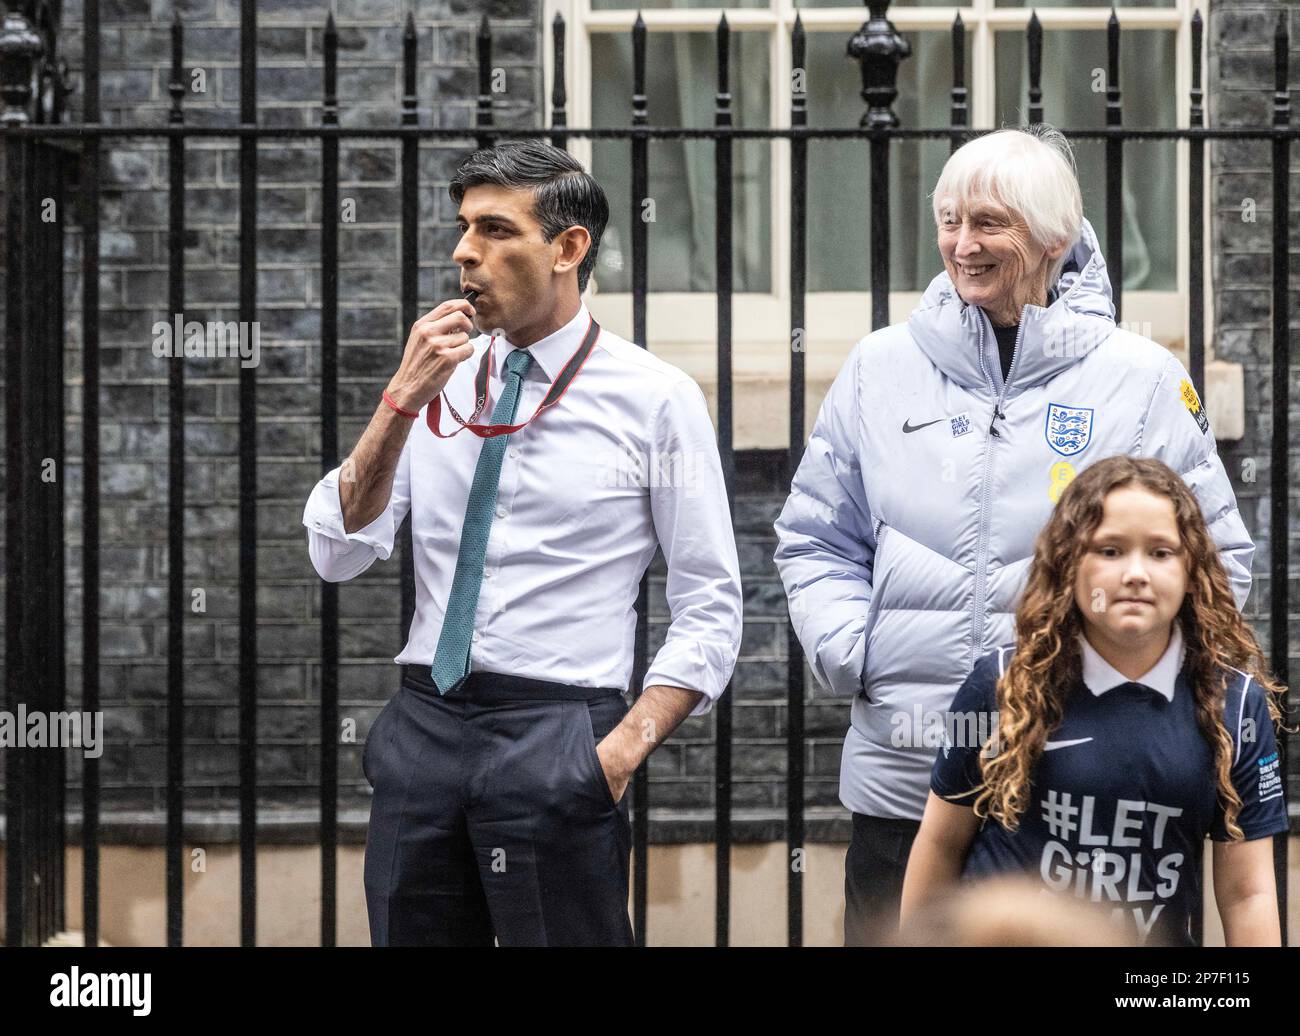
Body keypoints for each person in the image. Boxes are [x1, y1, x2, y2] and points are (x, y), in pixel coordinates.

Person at [772, 126, 1255, 946]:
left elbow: (1218, 563)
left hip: (1075, 797)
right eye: (950, 220)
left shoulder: (1140, 378)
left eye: (990, 223)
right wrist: (858, 651)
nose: (963, 245)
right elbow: (815, 539)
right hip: (904, 771)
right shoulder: (879, 365)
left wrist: (1127, 704)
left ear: (1054, 239)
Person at [301, 139, 743, 946]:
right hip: (424, 732)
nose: (464, 252)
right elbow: (337, 550)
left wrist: (613, 756)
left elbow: (711, 605)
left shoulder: (655, 399)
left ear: (568, 249)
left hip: (560, 732)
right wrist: (398, 402)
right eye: (465, 227)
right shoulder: (437, 380)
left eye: (497, 230)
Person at [900, 455, 1289, 947]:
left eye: (1161, 552)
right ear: (1068, 565)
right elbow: (939, 844)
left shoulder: (1234, 705)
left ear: (1193, 572)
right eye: (1109, 550)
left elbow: (1247, 894)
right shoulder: (1000, 683)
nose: (1135, 574)